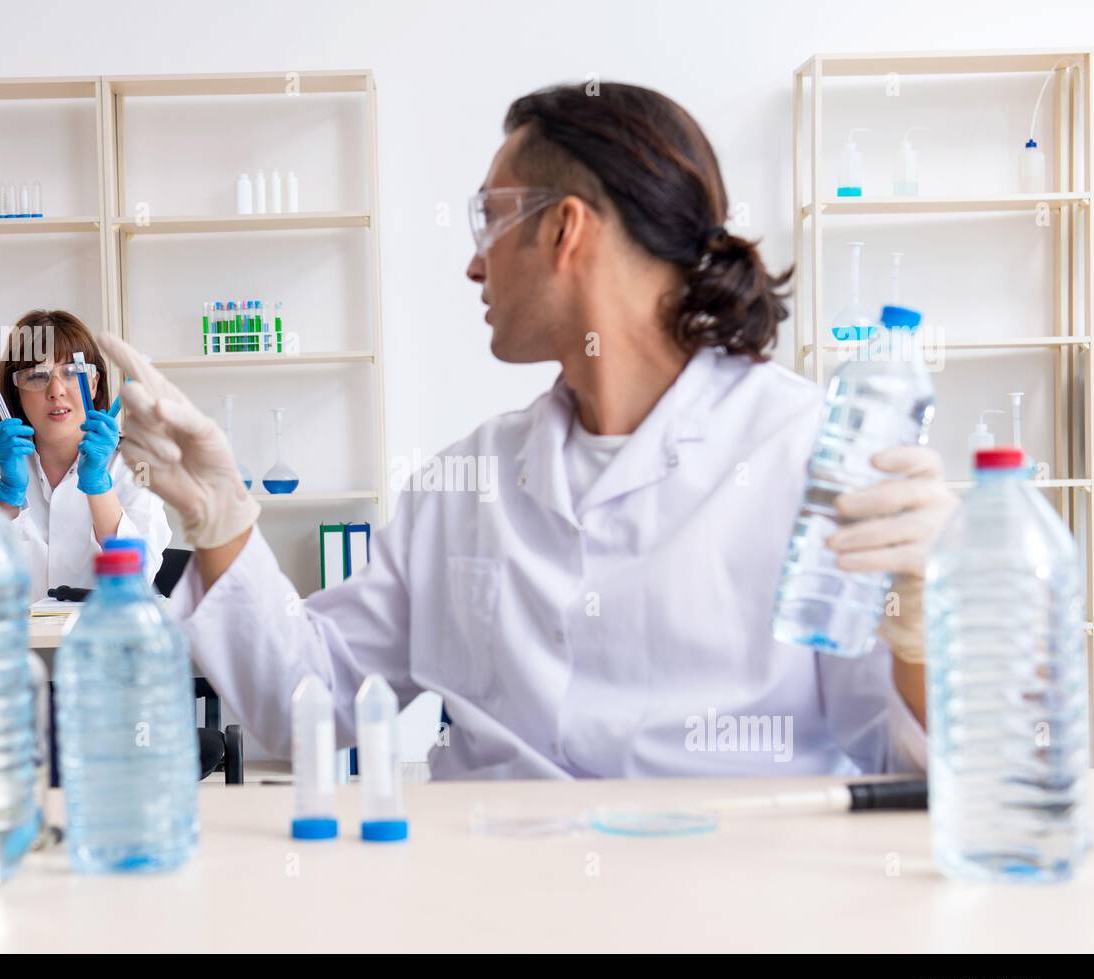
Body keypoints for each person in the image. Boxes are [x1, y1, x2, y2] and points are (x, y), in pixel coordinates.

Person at [98, 83, 957, 780]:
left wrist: (924, 623)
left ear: (565, 227)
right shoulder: (468, 481)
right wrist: (221, 518)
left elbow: (902, 755)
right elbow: (308, 705)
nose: (473, 261)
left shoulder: (806, 454)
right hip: (489, 900)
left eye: (490, 220)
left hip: (732, 899)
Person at [0, 309, 172, 601]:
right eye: (36, 376)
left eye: (73, 373)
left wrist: (99, 486)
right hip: (17, 639)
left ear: (94, 384)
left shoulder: (136, 464)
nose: (56, 391)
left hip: (104, 638)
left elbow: (138, 577)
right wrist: (6, 503)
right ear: (15, 391)